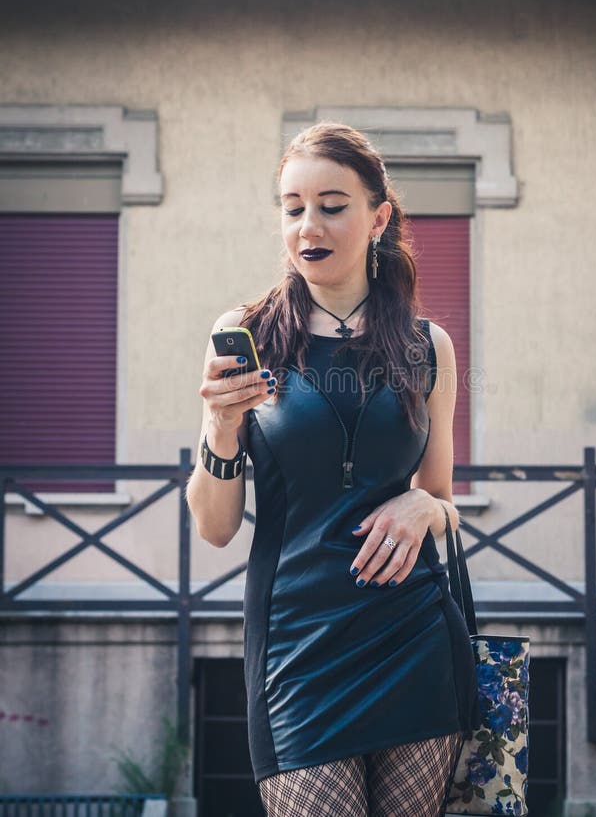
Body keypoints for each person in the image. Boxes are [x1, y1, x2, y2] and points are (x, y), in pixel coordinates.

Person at [186, 122, 478, 816]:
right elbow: (216, 527)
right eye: (293, 208)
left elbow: (442, 496)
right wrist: (222, 426)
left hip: (411, 635)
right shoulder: (248, 334)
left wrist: (426, 508)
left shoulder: (427, 346)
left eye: (331, 205)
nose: (307, 225)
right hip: (296, 642)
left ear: (378, 218)